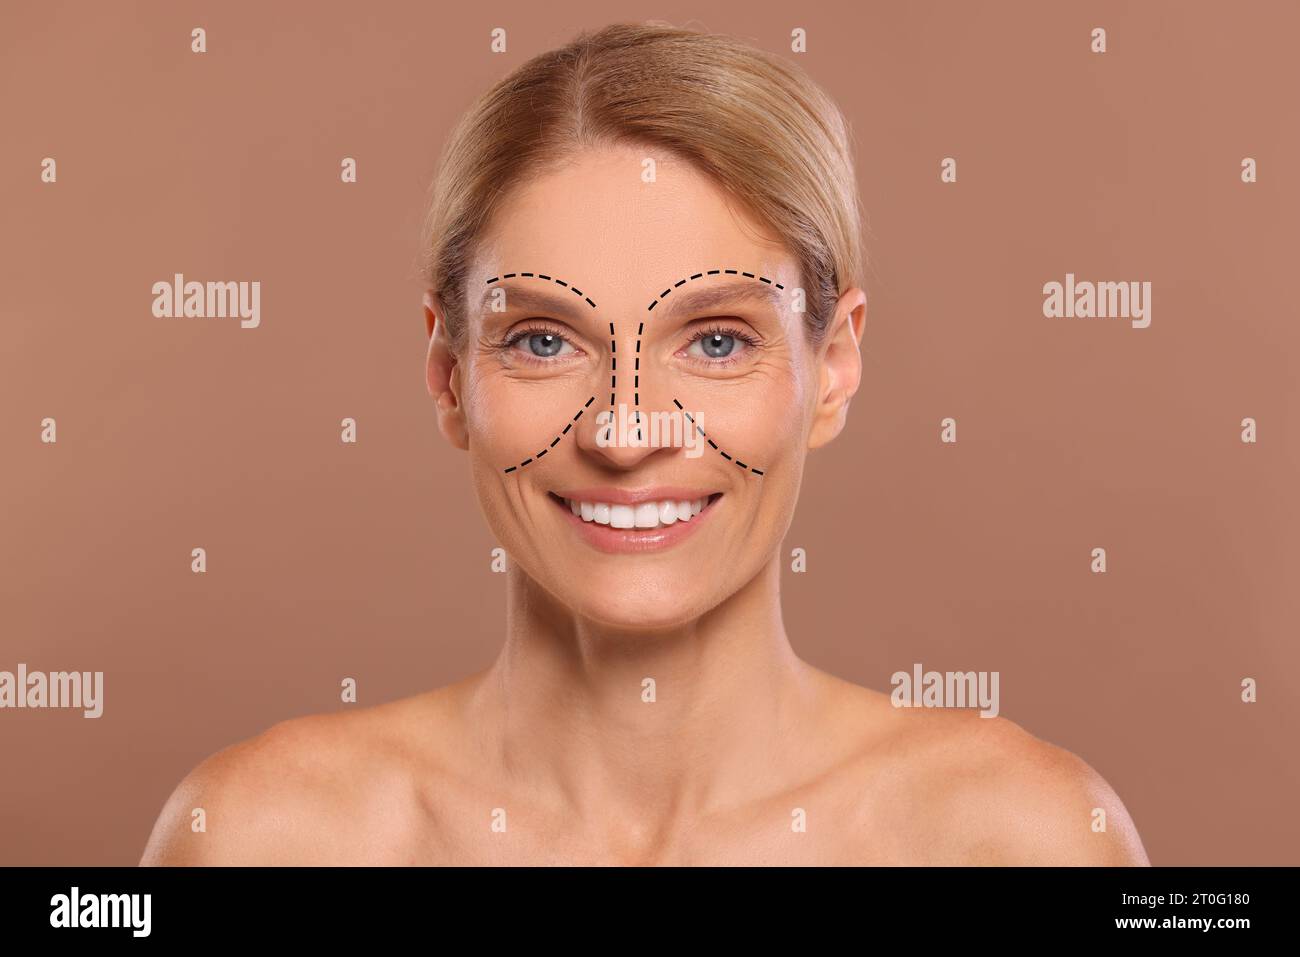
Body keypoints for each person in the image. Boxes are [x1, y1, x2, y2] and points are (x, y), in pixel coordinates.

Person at [141, 22, 1149, 866]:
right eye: (543, 339)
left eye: (715, 340)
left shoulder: (1020, 839)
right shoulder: (262, 838)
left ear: (831, 366)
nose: (625, 432)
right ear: (448, 375)